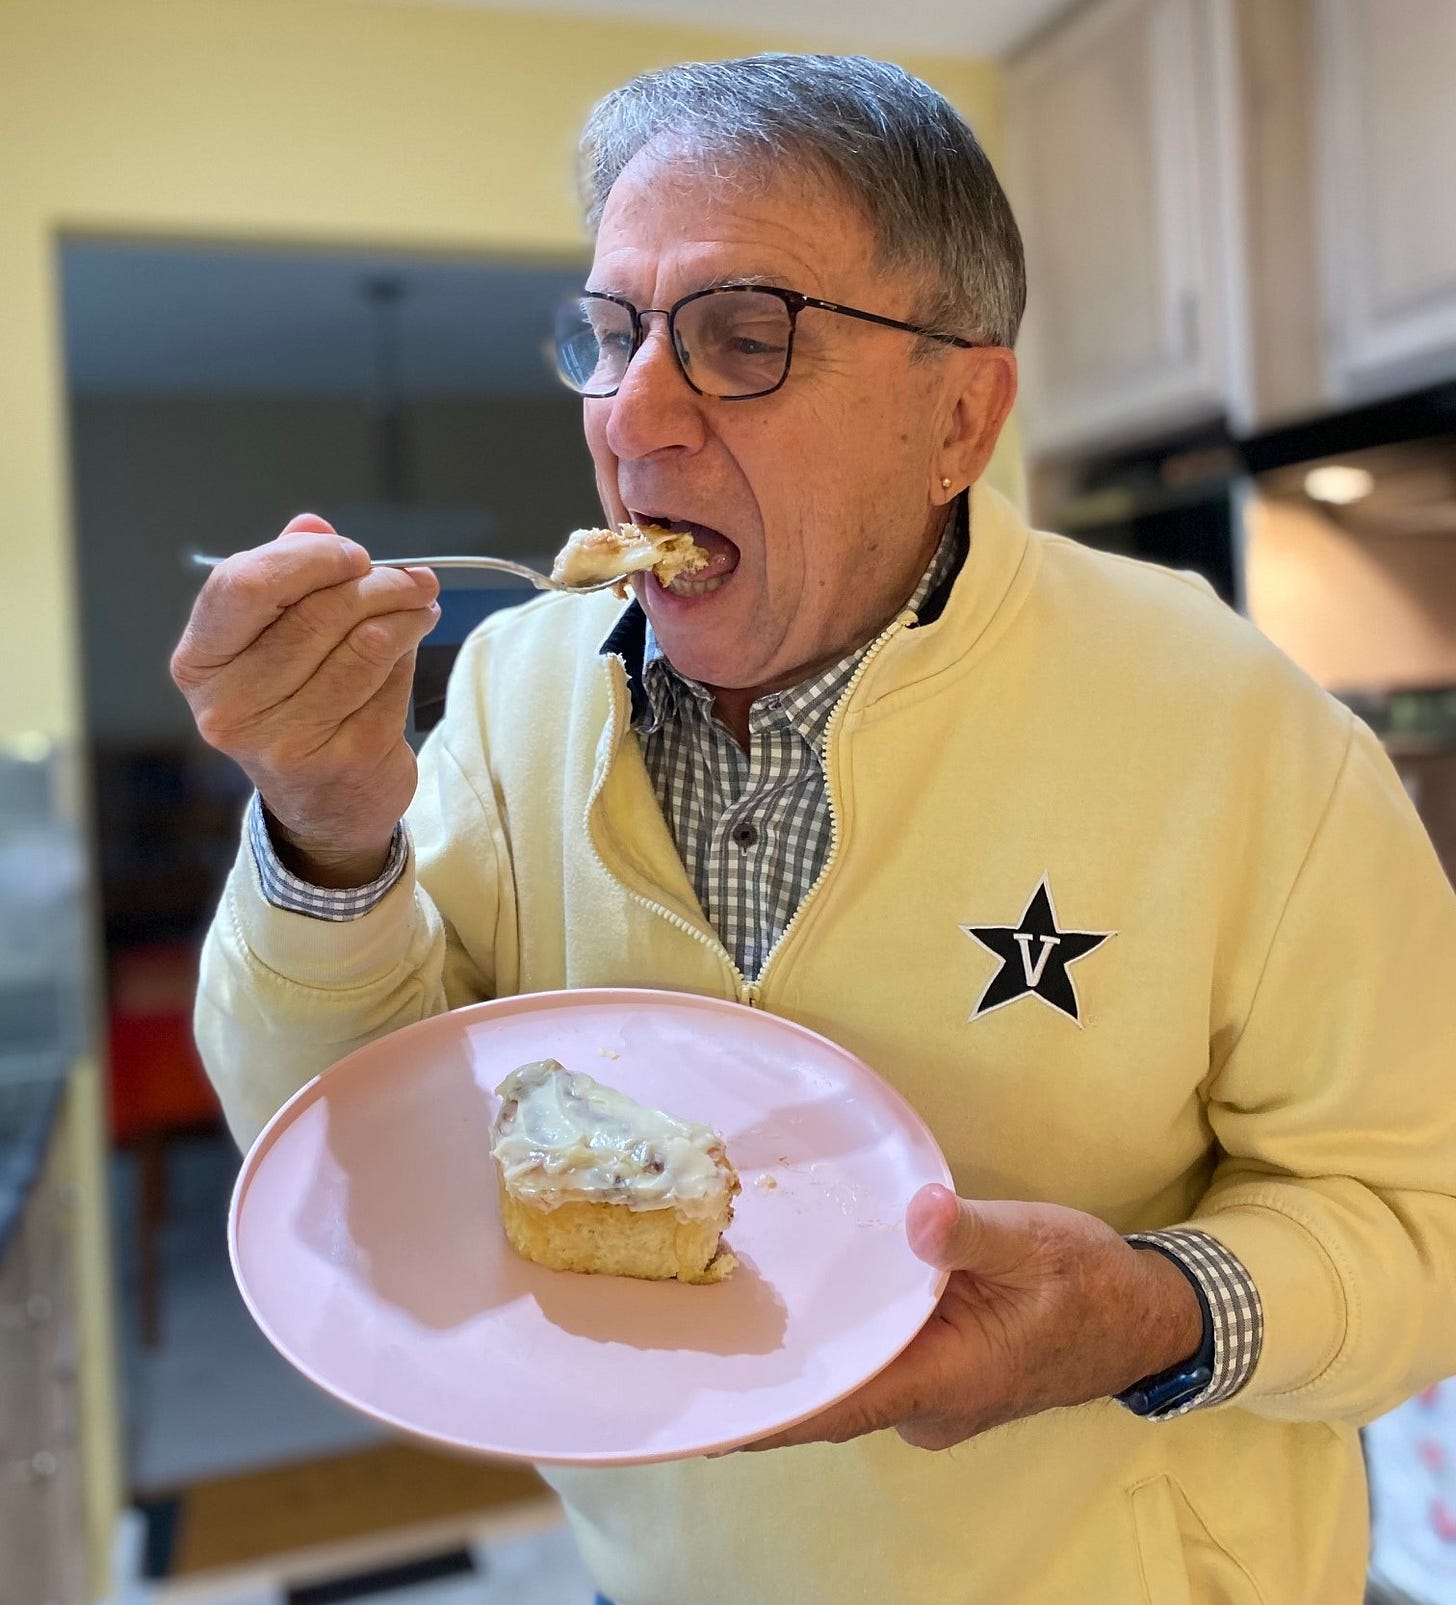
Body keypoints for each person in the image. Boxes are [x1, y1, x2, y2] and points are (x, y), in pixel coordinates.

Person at [171, 53, 1456, 1605]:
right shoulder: (510, 694)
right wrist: (324, 826)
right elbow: (342, 1143)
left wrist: (1152, 1310)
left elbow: (1419, 1223)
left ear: (960, 416)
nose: (633, 411)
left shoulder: (1239, 730)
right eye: (610, 333)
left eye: (739, 337)